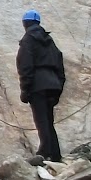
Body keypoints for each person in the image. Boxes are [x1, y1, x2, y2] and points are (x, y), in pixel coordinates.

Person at [16, 10, 67, 163]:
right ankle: (55, 153)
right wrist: (59, 86)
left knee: (41, 120)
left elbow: (25, 65)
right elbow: (60, 64)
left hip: (38, 84)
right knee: (49, 119)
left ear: (25, 23)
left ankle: (44, 151)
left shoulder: (28, 40)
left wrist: (25, 89)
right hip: (53, 84)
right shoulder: (49, 40)